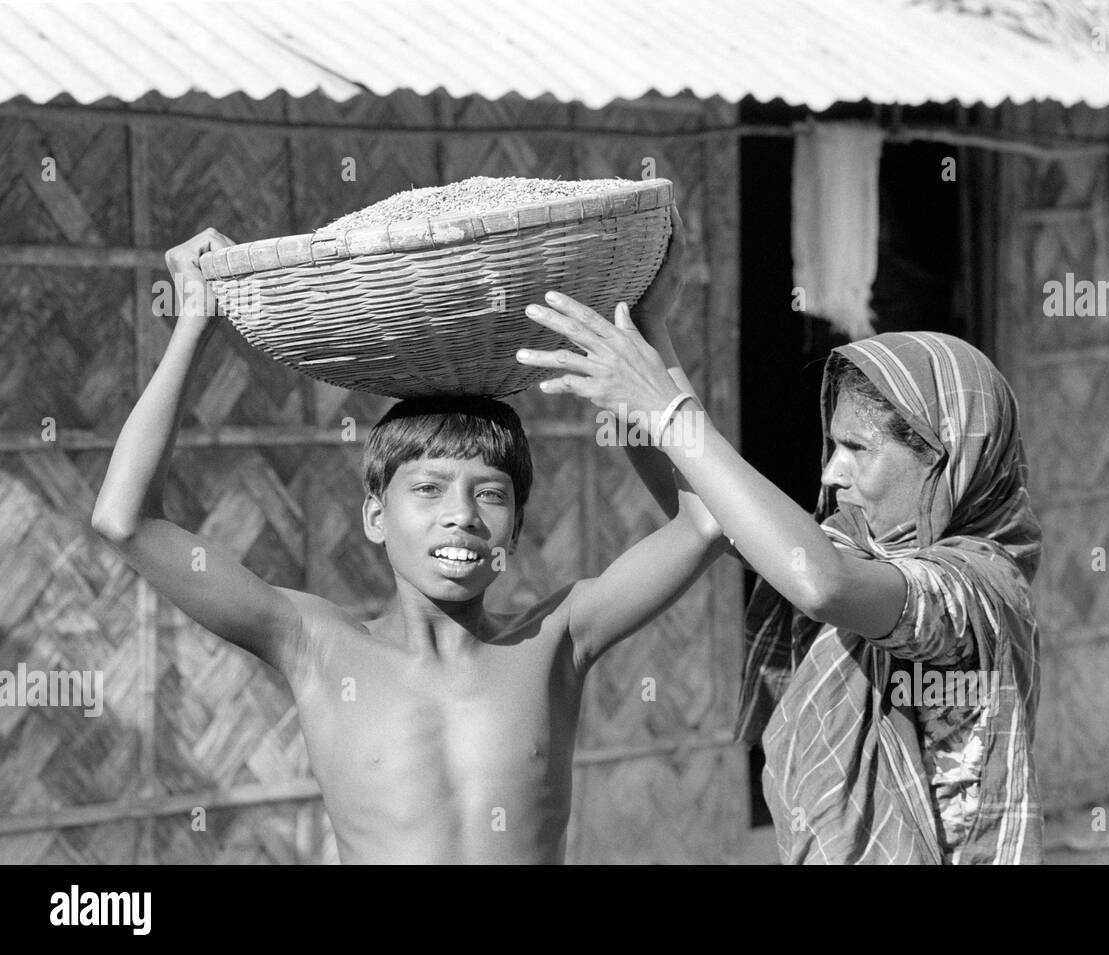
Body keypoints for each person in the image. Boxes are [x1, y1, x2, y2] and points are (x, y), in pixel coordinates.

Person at [91, 227, 725, 864]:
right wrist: (193, 324)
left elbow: (707, 520)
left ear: (518, 524)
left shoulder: (558, 638)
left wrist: (651, 336)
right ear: (375, 515)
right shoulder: (314, 644)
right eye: (428, 488)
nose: (461, 517)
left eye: (491, 494)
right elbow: (126, 521)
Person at [517, 283, 1044, 864]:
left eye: (857, 449)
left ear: (943, 459)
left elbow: (821, 585)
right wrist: (648, 324)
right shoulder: (859, 549)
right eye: (833, 446)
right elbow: (714, 517)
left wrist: (666, 411)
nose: (832, 475)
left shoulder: (977, 591)